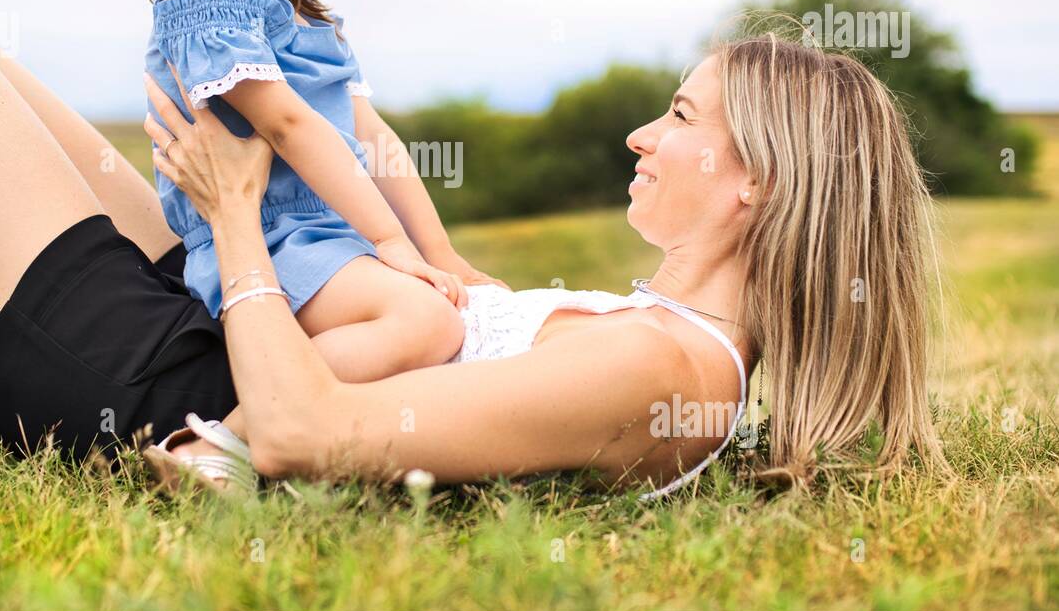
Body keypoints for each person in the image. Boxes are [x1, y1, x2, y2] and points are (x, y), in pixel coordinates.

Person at [140, 32, 956, 497]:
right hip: (243, 323)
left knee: (2, 92)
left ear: (760, 180)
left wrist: (235, 215)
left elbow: (296, 430)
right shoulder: (656, 333)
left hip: (194, 390)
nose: (640, 136)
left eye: (678, 115)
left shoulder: (660, 366)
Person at [137, 0, 505, 403]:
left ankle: (313, 400)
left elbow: (371, 134)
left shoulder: (301, 13)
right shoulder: (200, 3)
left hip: (333, 236)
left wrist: (441, 254)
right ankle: (238, 415)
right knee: (425, 321)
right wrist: (391, 241)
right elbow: (287, 124)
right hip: (272, 243)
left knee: (453, 313)